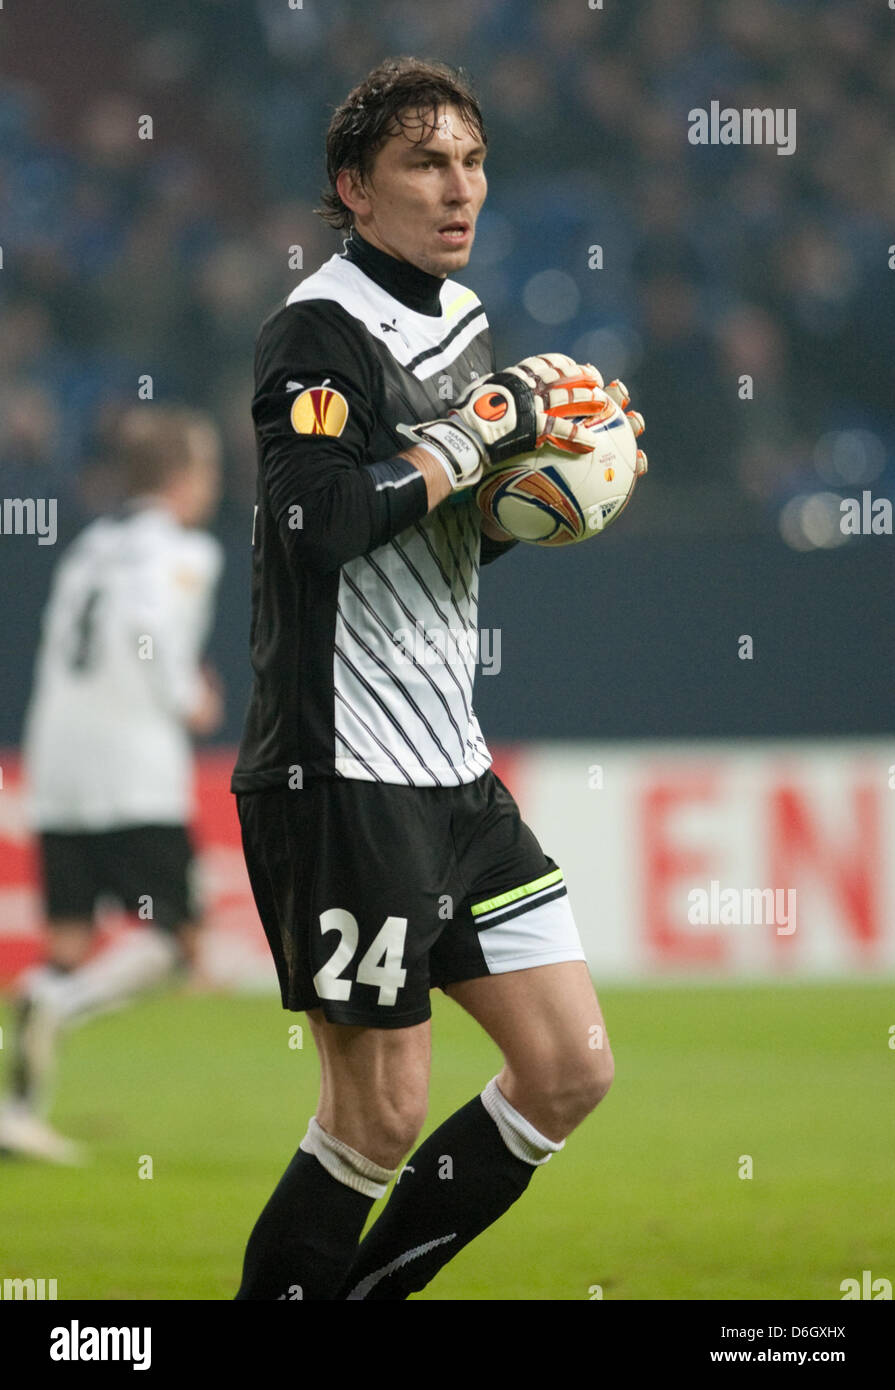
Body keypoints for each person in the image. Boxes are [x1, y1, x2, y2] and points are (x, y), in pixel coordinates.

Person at [231, 56, 646, 1300]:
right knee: (374, 1119)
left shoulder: (462, 325)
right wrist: (479, 433)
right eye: (424, 162)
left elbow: (433, 540)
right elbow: (315, 523)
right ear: (353, 189)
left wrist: (553, 497)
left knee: (570, 1066)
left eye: (469, 160)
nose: (457, 186)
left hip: (451, 774)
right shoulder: (316, 329)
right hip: (342, 769)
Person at [0, 405, 224, 1164]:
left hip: (58, 759)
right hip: (132, 766)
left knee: (66, 936)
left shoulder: (90, 546)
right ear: (186, 478)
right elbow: (150, 627)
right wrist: (186, 695)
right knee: (174, 942)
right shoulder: (184, 551)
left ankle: (17, 1110)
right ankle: (57, 1004)